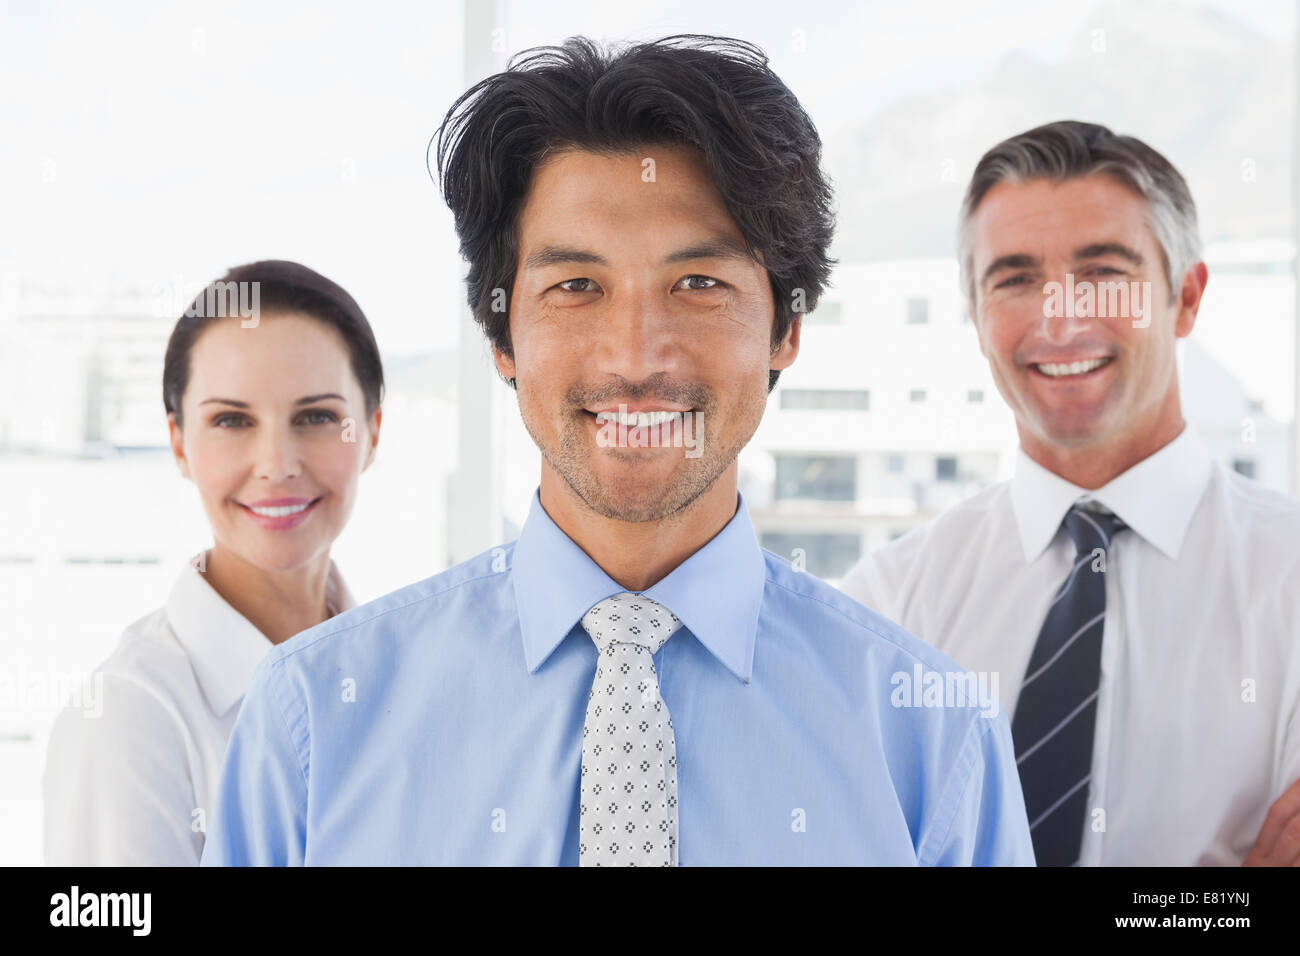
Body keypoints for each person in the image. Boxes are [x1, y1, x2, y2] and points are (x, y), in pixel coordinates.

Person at [200, 35, 1033, 867]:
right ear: (502, 339)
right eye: (575, 287)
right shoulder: (313, 720)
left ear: (786, 329)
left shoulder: (934, 739)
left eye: (699, 284)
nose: (635, 357)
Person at [840, 120, 1300, 866]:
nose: (1061, 316)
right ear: (976, 316)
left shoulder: (1290, 583)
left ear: (1185, 298)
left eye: (1103, 273)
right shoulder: (888, 606)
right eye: (1016, 278)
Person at [42, 260, 383, 864]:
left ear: (372, 432)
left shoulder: (398, 671)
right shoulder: (130, 716)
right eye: (231, 420)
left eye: (317, 416)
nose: (276, 463)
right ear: (179, 443)